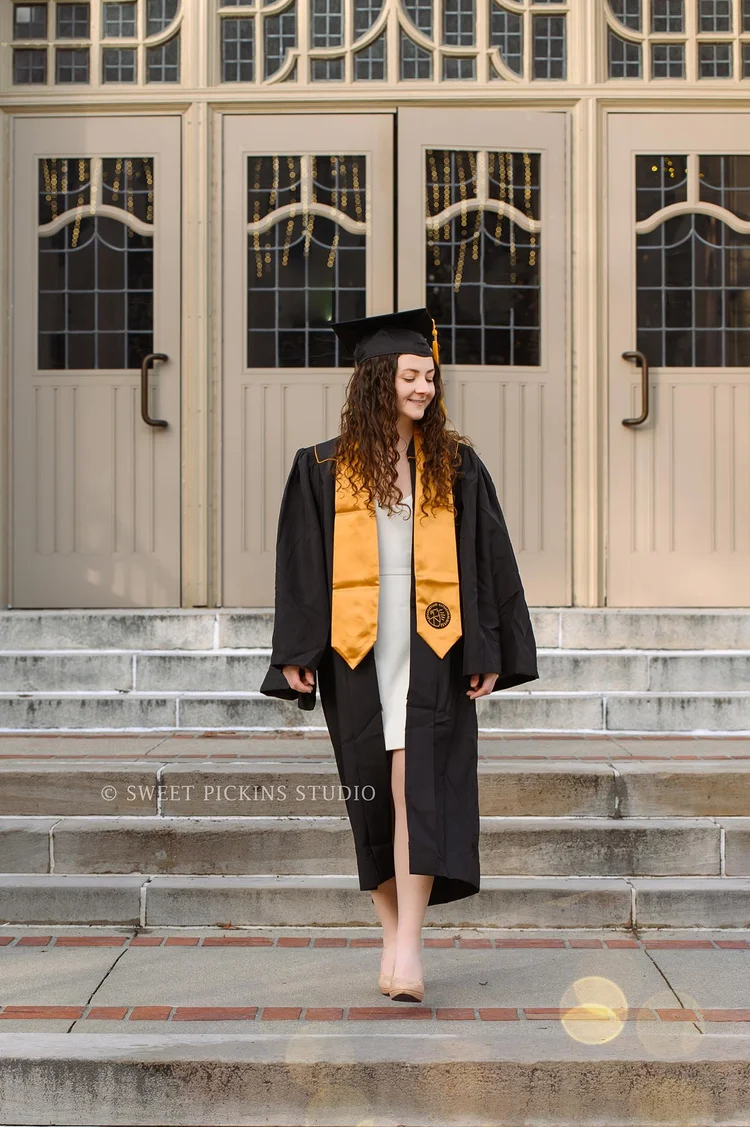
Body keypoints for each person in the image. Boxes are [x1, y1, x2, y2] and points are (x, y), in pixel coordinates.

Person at [259, 307, 538, 1004]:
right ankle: (393, 937)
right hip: (355, 649)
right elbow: (301, 567)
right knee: (372, 800)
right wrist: (296, 649)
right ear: (379, 380)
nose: (423, 388)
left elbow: (487, 561)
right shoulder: (320, 465)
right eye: (411, 375)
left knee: (421, 792)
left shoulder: (455, 464)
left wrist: (488, 647)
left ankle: (409, 946)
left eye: (430, 377)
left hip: (431, 646)